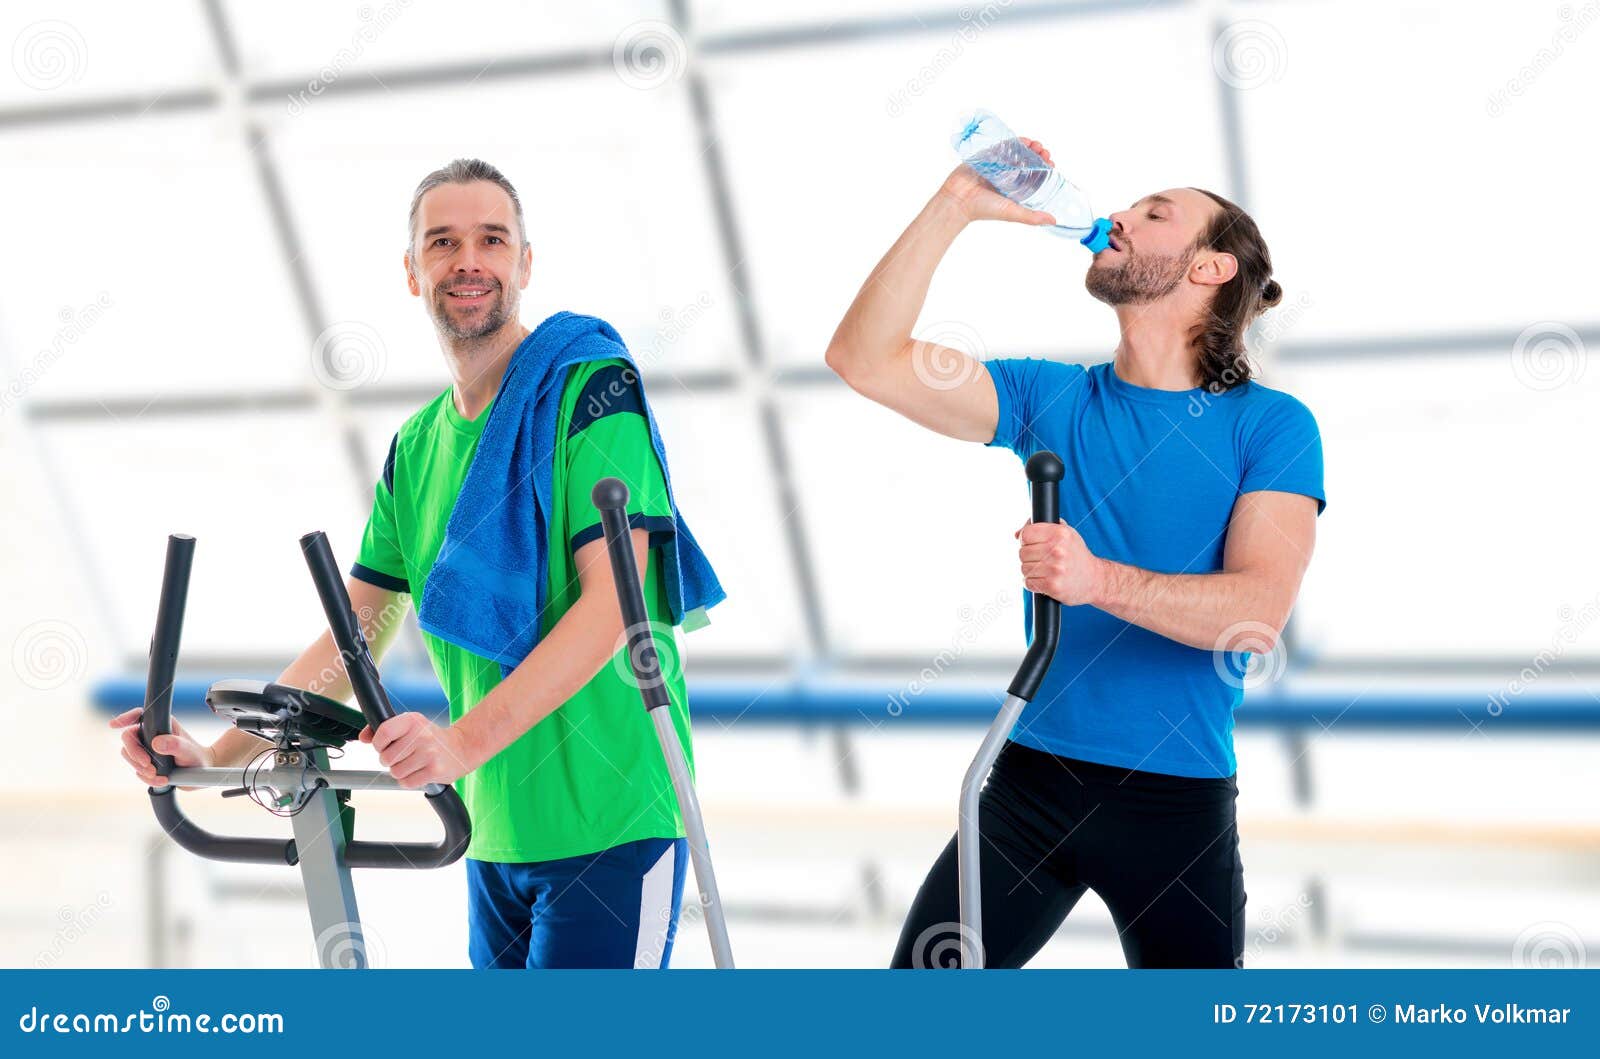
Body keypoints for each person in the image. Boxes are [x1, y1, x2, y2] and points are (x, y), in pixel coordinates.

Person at [113, 158, 721, 969]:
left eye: (492, 240)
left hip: (614, 823)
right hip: (492, 833)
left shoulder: (591, 395)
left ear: (525, 264)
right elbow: (355, 630)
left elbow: (615, 608)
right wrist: (217, 757)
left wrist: (460, 743)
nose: (469, 261)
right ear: (412, 271)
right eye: (443, 243)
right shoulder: (417, 448)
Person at [826, 138, 1326, 969]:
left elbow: (1255, 613)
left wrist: (1096, 580)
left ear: (1211, 269)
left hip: (1176, 803)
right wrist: (956, 203)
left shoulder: (1271, 427)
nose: (1120, 215)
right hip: (1029, 785)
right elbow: (865, 359)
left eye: (1155, 213)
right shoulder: (1048, 396)